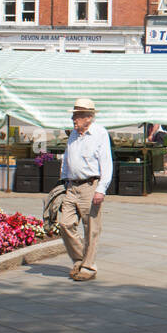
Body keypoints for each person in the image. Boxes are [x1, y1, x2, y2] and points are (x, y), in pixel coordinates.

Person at [58, 97, 113, 282]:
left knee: (91, 229)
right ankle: (80, 259)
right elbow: (67, 159)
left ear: (89, 117)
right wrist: (64, 181)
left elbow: (106, 164)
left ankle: (88, 267)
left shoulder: (100, 134)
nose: (74, 119)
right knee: (64, 223)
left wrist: (101, 189)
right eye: (74, 115)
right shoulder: (73, 134)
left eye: (78, 115)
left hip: (91, 185)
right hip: (72, 186)